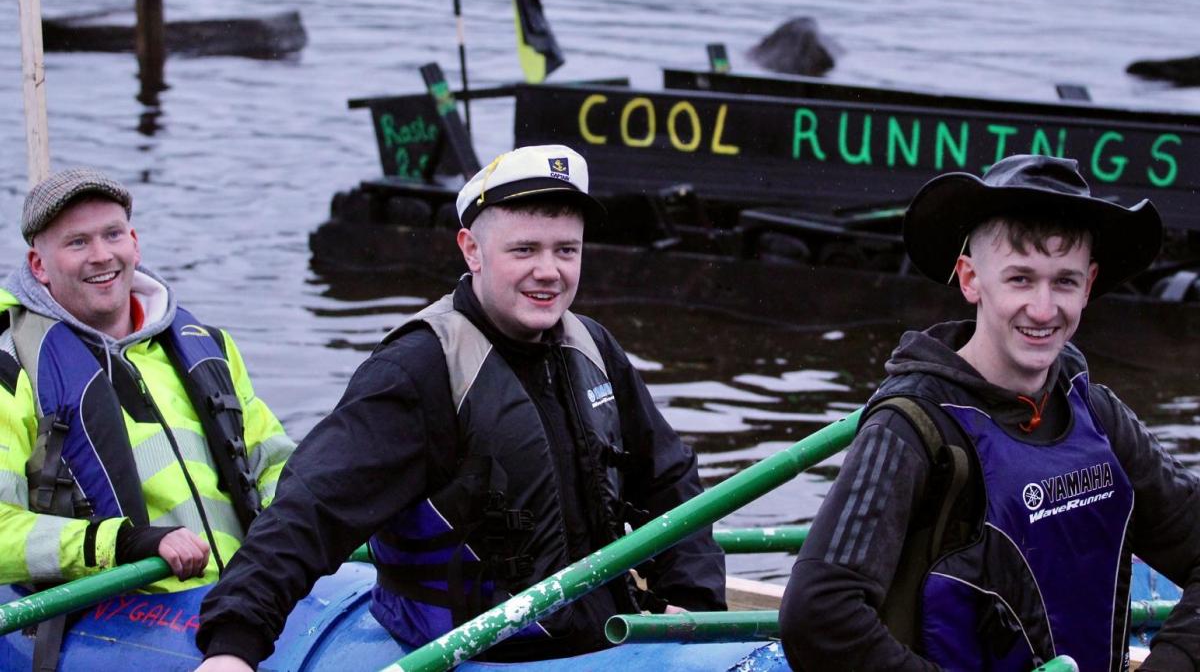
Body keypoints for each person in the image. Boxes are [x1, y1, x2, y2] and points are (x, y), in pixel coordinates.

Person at [194, 144, 726, 670]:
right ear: (472, 250)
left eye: (567, 250)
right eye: (524, 250)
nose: (549, 271)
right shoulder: (418, 369)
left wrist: (693, 599)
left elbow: (669, 478)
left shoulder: (593, 346)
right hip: (481, 653)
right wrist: (233, 646)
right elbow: (311, 510)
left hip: (604, 638)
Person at [779, 154, 1200, 671]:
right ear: (971, 278)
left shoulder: (1099, 414)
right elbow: (818, 615)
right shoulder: (910, 427)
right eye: (1020, 279)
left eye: (1064, 282)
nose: (1043, 309)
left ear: (1089, 284)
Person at [0, 168, 294, 668]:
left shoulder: (209, 348)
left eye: (112, 234)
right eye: (77, 242)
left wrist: (296, 526)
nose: (101, 255)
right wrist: (122, 544)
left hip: (246, 599)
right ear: (39, 265)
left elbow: (275, 462)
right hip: (118, 619)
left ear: (134, 243)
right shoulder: (12, 371)